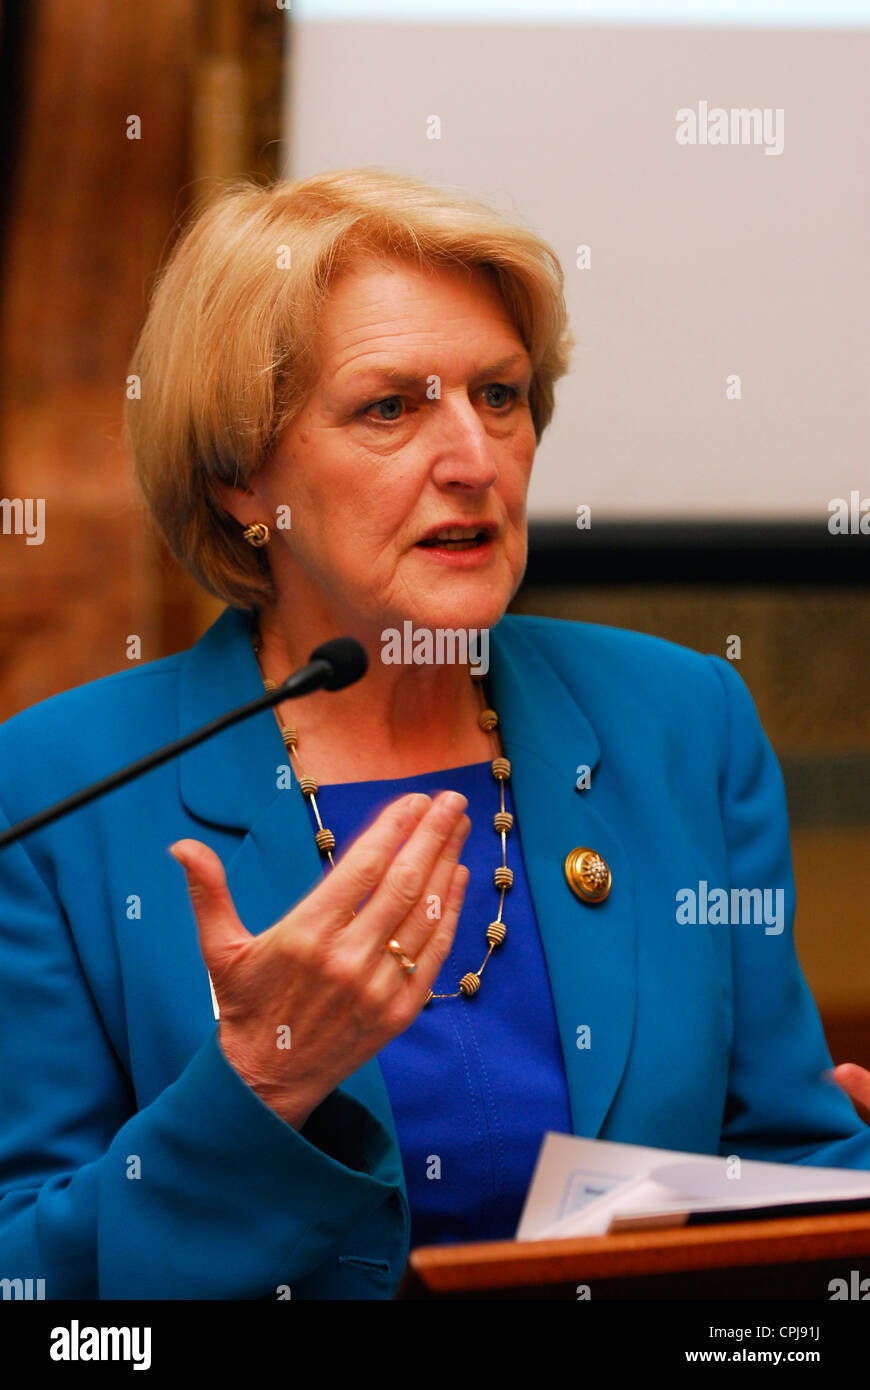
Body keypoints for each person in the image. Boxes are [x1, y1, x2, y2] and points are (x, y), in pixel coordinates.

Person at [0, 168, 868, 1301]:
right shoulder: (67, 785)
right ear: (238, 481)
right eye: (391, 408)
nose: (472, 460)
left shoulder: (680, 722)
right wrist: (257, 1089)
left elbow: (795, 1161)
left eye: (499, 397)